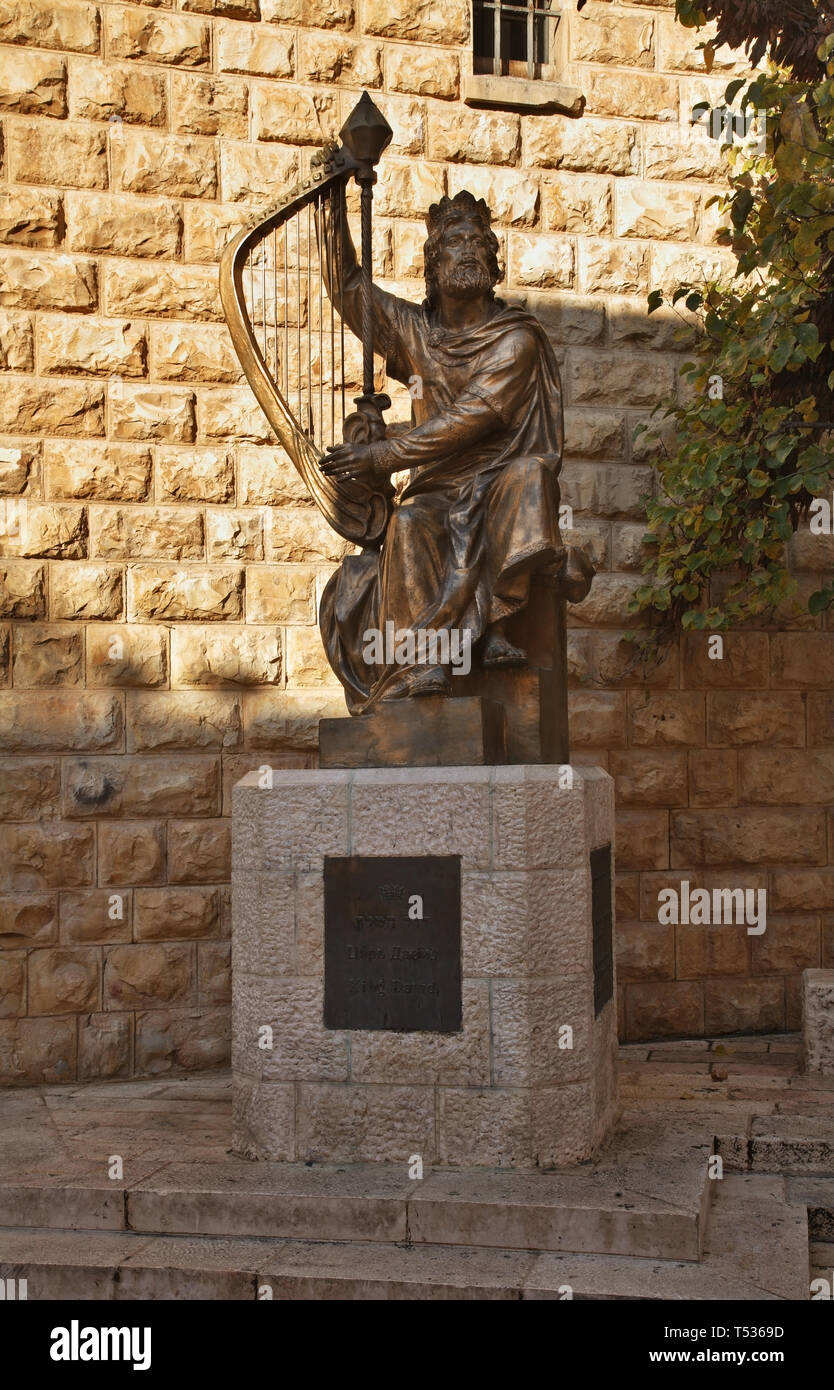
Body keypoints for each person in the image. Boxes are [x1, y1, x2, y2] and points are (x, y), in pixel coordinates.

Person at [318, 187, 571, 713]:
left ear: (493, 261)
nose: (470, 250)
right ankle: (426, 657)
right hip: (438, 489)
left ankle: (498, 623)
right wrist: (331, 206)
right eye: (455, 242)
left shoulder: (515, 337)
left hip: (499, 480)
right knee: (408, 522)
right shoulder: (414, 329)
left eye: (479, 242)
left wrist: (382, 455)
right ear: (433, 265)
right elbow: (348, 288)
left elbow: (471, 418)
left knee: (528, 478)